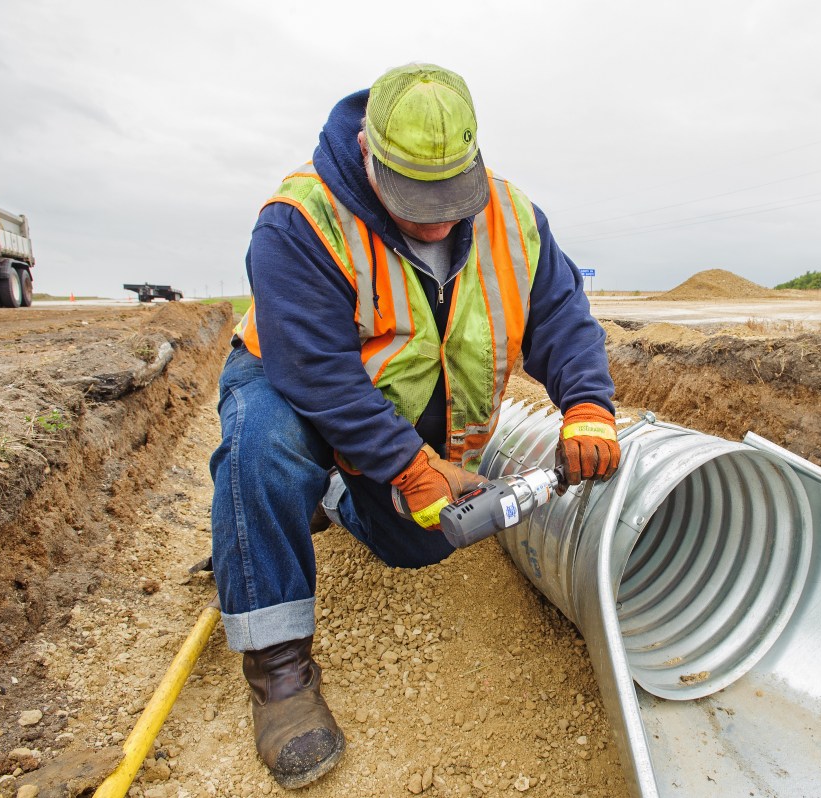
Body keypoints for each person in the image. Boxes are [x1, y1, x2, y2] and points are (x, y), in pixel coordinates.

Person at [210, 62, 620, 789]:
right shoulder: (301, 219)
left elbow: (560, 315)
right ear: (368, 153)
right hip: (294, 386)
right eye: (413, 201)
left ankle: (330, 497)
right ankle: (279, 674)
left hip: (399, 417)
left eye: (448, 200)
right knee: (264, 446)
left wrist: (587, 404)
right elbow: (316, 373)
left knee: (423, 542)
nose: (435, 221)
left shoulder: (513, 218)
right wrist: (407, 464)